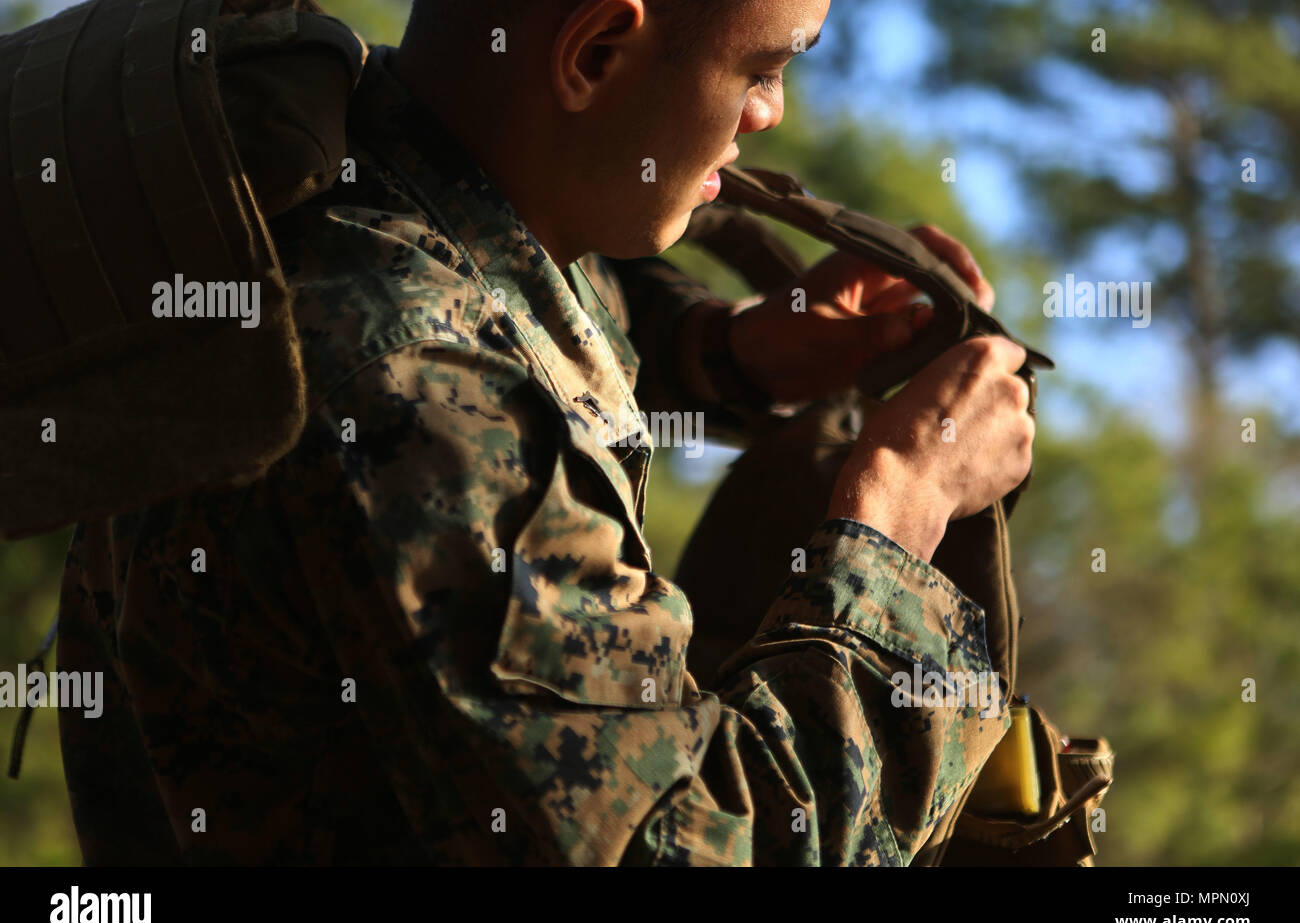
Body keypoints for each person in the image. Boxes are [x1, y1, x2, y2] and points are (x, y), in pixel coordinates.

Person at [56, 0, 1035, 865]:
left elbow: (513, 293)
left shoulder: (349, 173)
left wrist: (724, 352)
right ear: (597, 52)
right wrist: (900, 513)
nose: (768, 114)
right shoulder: (425, 395)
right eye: (763, 69)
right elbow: (704, 845)